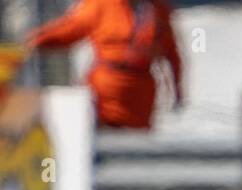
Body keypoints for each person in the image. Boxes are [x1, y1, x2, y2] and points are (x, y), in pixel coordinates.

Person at [26, 0, 182, 129]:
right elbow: (71, 28)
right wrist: (39, 39)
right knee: (102, 138)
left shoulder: (158, 10)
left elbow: (171, 52)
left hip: (141, 91)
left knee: (136, 147)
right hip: (105, 89)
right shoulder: (101, 4)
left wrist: (177, 88)